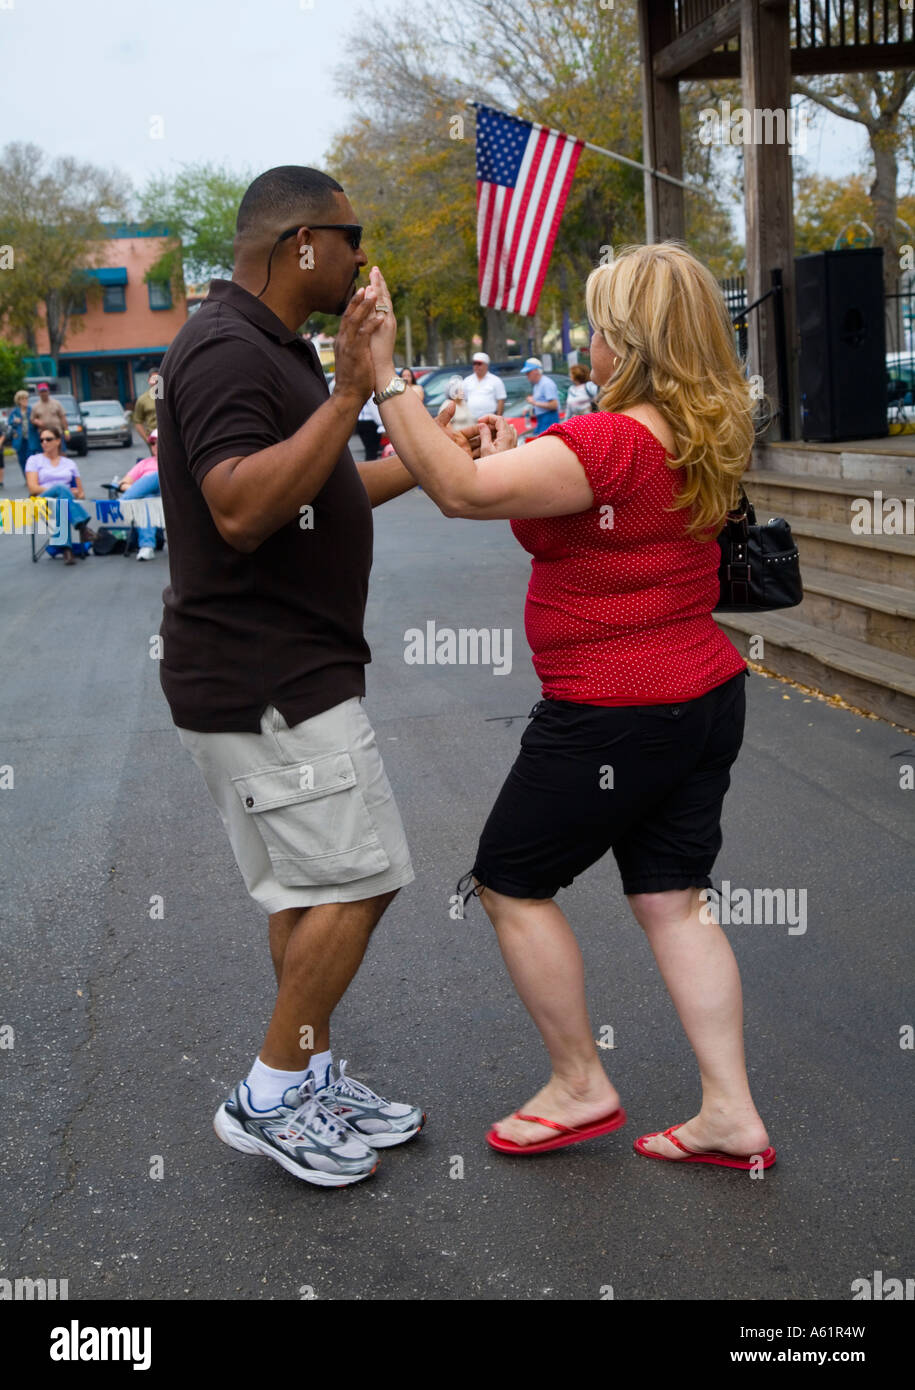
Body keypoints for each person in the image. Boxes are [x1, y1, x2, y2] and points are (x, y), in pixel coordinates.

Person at [364, 246, 775, 1171]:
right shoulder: (701, 430)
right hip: (704, 695)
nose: (588, 342)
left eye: (598, 326)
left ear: (627, 341)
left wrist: (384, 378)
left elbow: (458, 490)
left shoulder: (609, 441)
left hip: (613, 710)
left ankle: (579, 1083)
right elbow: (590, 520)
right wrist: (517, 460)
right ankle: (728, 1114)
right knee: (674, 903)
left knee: (511, 882)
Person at [156, 165, 479, 1188]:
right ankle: (266, 1095)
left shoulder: (272, 347)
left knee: (309, 889)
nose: (361, 253)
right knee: (366, 872)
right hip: (269, 682)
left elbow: (320, 489)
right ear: (299, 243)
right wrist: (348, 390)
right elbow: (245, 508)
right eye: (350, 234)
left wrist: (433, 461)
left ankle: (310, 1073)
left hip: (283, 674)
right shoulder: (220, 352)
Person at [25, 425, 96, 565]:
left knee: (61, 502)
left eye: (48, 439)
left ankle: (67, 550)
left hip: (63, 502)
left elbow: (81, 494)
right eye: (42, 440)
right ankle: (83, 528)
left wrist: (73, 493)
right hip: (41, 501)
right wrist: (61, 489)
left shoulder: (70, 463)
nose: (44, 442)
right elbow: (33, 488)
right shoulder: (34, 460)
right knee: (61, 488)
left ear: (58, 441)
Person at [117, 428, 161, 561]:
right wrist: (142, 489)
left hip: (168, 498)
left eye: (158, 443)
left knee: (159, 475)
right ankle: (147, 547)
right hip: (148, 500)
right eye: (152, 443)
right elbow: (122, 484)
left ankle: (123, 502)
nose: (154, 446)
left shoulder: (175, 462)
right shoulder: (144, 464)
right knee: (146, 500)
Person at [521, 357, 560, 435]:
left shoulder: (546, 383)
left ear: (536, 371)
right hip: (542, 419)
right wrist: (531, 410)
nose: (526, 375)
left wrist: (534, 402)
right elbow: (542, 403)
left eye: (528, 372)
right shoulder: (537, 384)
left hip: (549, 419)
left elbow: (554, 405)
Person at [29, 382, 69, 456]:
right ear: (38, 393)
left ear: (48, 391)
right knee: (45, 455)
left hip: (57, 433)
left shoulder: (56, 403)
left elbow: (63, 418)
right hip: (44, 436)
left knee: (62, 453)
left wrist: (66, 432)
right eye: (41, 391)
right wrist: (36, 421)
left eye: (45, 391)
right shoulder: (36, 406)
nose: (44, 393)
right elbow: (32, 419)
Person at [462, 352, 506, 419]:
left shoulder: (496, 380)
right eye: (474, 363)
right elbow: (463, 400)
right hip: (471, 420)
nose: (476, 366)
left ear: (486, 365)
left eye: (479, 364)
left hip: (490, 419)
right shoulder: (467, 381)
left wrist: (498, 419)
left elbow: (501, 401)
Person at [7, 390, 32, 481]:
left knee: (30, 458)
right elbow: (9, 422)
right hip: (19, 438)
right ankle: (26, 477)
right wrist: (14, 421)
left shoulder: (31, 410)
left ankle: (31, 478)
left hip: (30, 438)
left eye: (26, 398)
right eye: (23, 399)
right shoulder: (15, 412)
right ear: (19, 400)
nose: (25, 400)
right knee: (21, 459)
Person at [132, 371, 160, 447]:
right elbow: (137, 421)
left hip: (170, 437)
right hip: (154, 440)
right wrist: (147, 439)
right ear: (149, 380)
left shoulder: (170, 396)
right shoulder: (142, 400)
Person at [355, 394, 384, 460]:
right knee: (372, 451)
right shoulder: (371, 392)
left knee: (369, 450)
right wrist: (381, 424)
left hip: (360, 421)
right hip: (371, 422)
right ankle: (372, 468)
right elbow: (373, 408)